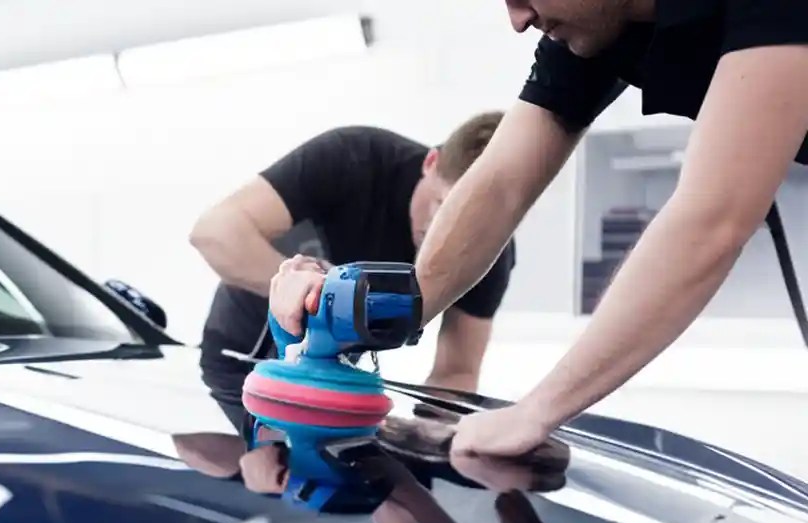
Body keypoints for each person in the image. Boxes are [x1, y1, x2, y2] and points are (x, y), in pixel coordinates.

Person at [271, 0, 808, 457]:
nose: (518, 18)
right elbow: (502, 182)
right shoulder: (598, 30)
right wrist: (360, 312)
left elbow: (710, 219)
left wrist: (538, 411)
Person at [190, 114, 518, 432]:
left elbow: (456, 372)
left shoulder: (488, 245)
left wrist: (427, 439)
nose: (446, 232)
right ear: (431, 163)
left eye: (468, 224)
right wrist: (321, 295)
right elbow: (215, 233)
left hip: (329, 385)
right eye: (441, 206)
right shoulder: (352, 157)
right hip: (236, 366)